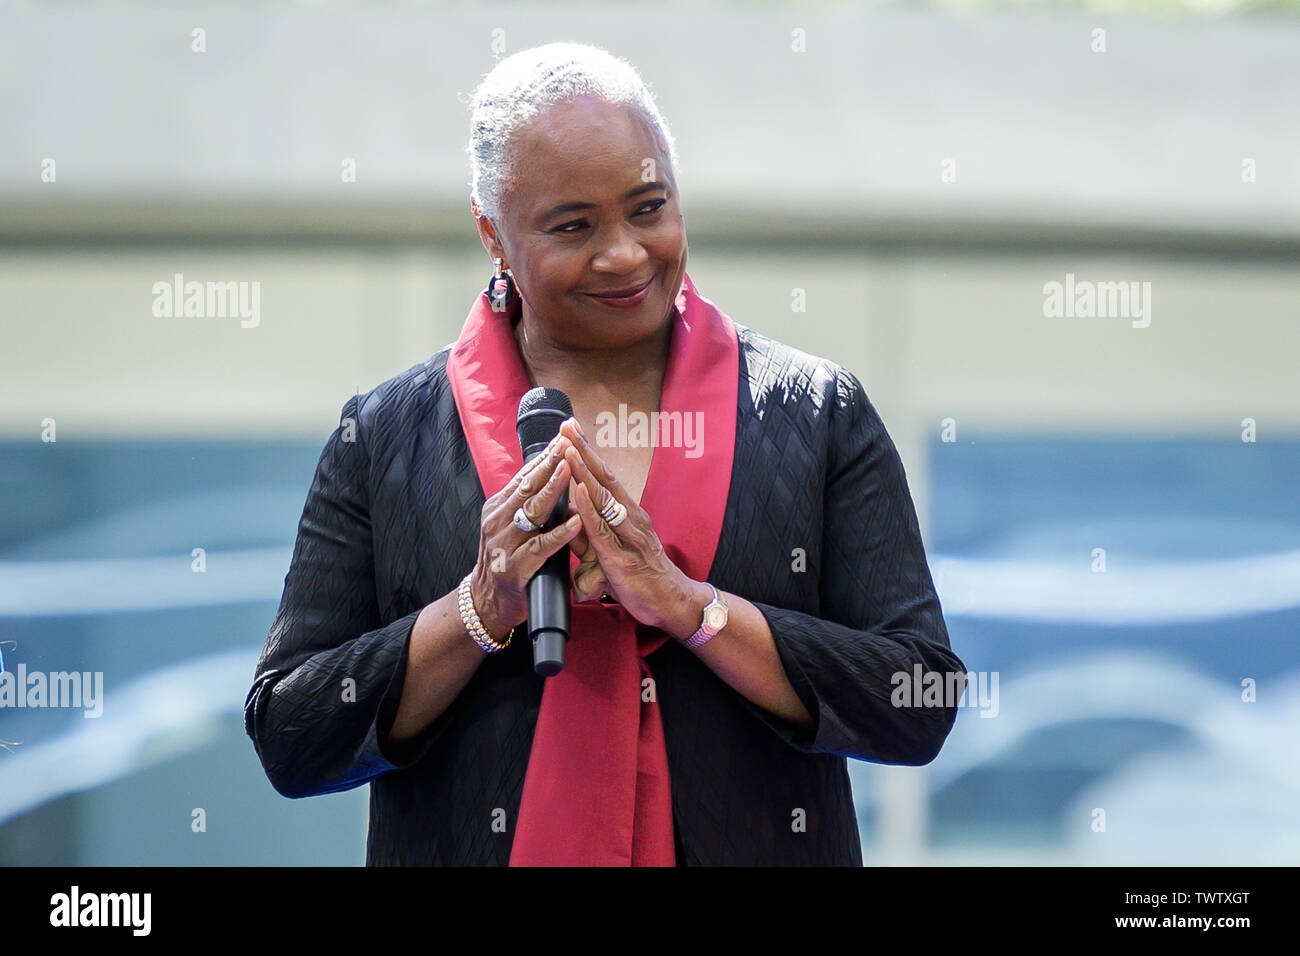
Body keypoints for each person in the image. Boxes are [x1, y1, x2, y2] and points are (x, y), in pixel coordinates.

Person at [244, 41, 964, 866]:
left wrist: (691, 608)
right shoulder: (385, 438)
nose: (624, 253)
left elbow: (922, 698)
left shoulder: (813, 413)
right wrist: (479, 609)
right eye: (573, 226)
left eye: (649, 208)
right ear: (493, 236)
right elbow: (289, 734)